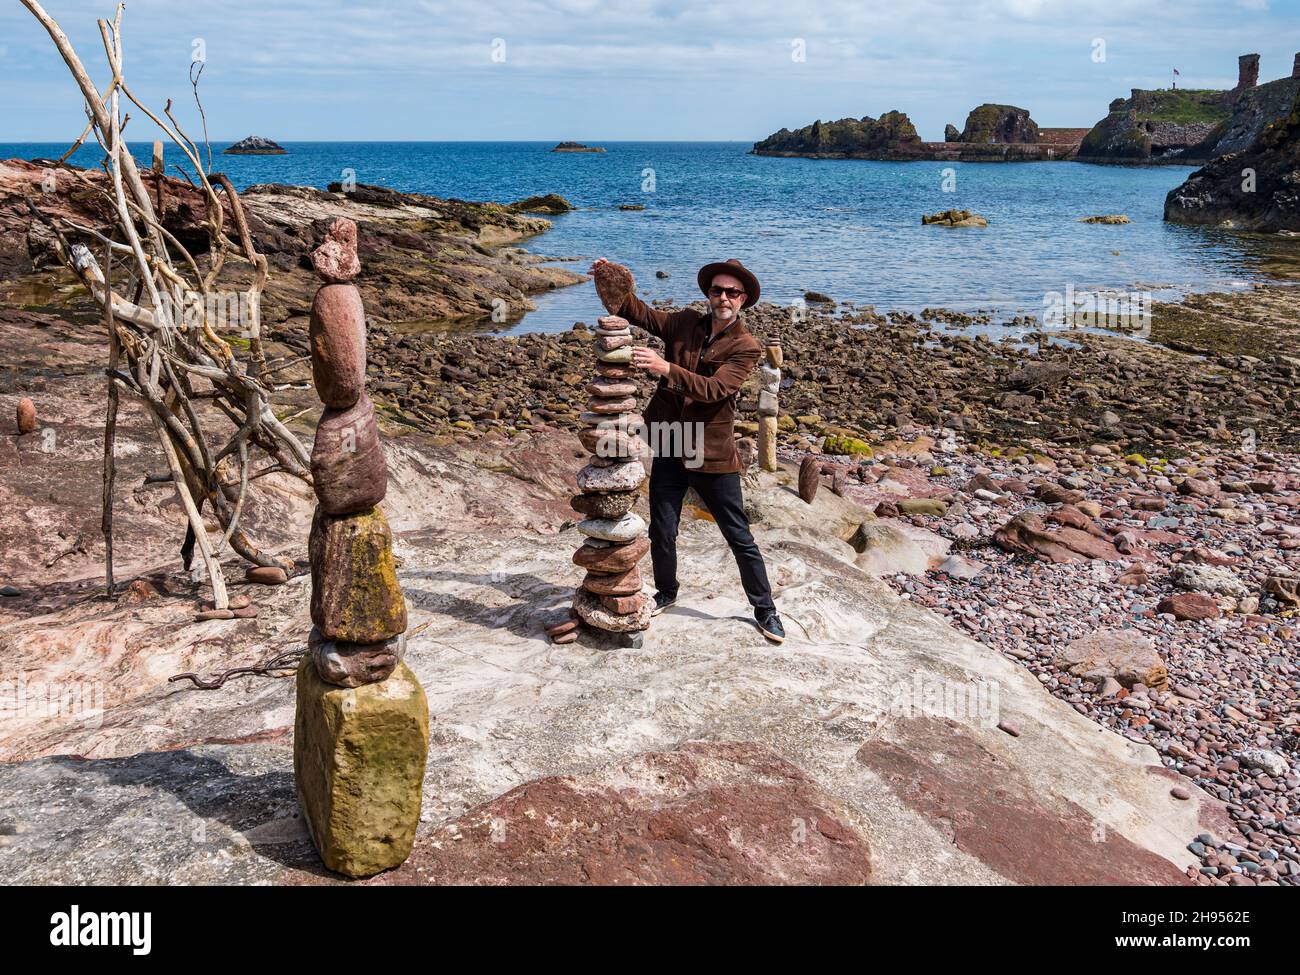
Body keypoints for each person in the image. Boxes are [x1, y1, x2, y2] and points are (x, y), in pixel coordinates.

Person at [589, 256, 785, 644]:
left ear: (743, 299)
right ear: (708, 294)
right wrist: (610, 279)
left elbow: (715, 389)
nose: (723, 297)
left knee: (738, 535)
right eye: (717, 290)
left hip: (711, 451)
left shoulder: (746, 346)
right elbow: (634, 311)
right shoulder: (682, 323)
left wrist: (664, 368)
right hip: (669, 442)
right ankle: (667, 592)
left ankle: (766, 610)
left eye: (732, 292)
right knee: (663, 528)